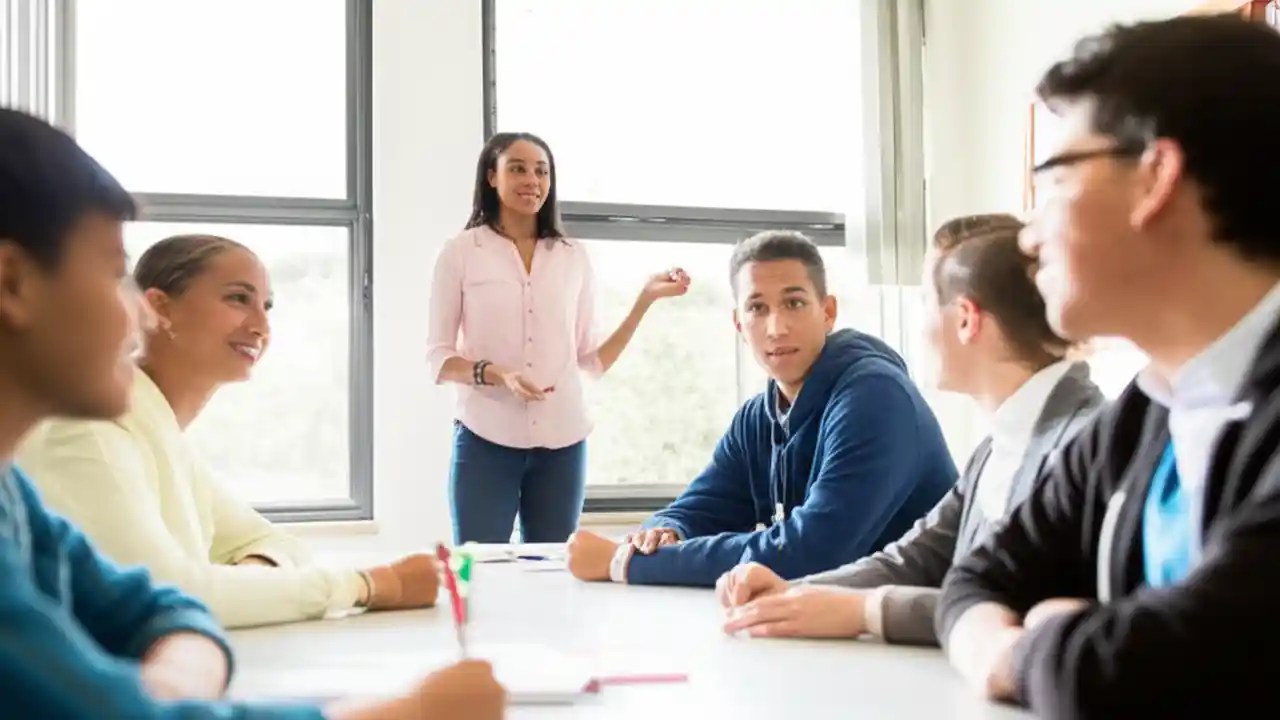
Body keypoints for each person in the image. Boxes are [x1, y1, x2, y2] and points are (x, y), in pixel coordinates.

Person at [0, 107, 503, 719]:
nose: (132, 314)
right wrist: (409, 710)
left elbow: (164, 604)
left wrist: (173, 678)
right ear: (13, 284)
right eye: (112, 276)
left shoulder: (14, 494)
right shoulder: (85, 436)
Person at [934, 15, 1280, 718]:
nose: (1029, 235)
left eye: (1052, 182)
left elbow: (1181, 664)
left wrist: (1039, 643)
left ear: (1156, 177)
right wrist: (1017, 649)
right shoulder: (1147, 410)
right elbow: (977, 581)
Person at [716, 214, 1104, 645]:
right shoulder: (998, 446)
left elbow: (1022, 609)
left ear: (964, 319)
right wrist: (795, 592)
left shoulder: (1084, 445)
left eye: (925, 303)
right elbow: (915, 558)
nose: (919, 329)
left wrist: (865, 610)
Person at [18, 233, 440, 630]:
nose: (261, 325)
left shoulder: (160, 430)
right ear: (159, 309)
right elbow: (165, 592)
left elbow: (275, 542)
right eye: (238, 299)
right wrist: (371, 585)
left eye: (267, 306)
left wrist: (242, 584)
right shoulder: (90, 428)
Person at [566, 230, 957, 587]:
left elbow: (812, 552)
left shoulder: (876, 396)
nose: (776, 328)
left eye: (794, 303)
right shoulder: (760, 415)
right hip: (836, 627)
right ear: (738, 323)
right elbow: (702, 507)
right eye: (757, 308)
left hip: (926, 635)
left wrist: (626, 562)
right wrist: (663, 532)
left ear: (828, 311)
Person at [427, 132, 690, 544]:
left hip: (563, 442)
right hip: (485, 438)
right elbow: (439, 358)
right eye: (517, 168)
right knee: (481, 569)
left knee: (551, 571)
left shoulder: (572, 256)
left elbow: (591, 360)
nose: (532, 179)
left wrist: (644, 301)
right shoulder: (461, 252)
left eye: (541, 171)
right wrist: (498, 374)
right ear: (491, 178)